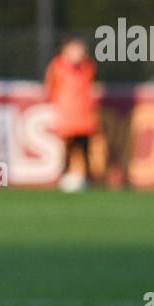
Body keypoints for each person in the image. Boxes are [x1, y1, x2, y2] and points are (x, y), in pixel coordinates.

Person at [44, 36, 99, 192]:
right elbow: (51, 87)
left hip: (84, 114)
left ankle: (87, 178)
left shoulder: (88, 67)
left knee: (84, 147)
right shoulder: (57, 66)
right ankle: (65, 176)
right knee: (67, 147)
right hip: (67, 114)